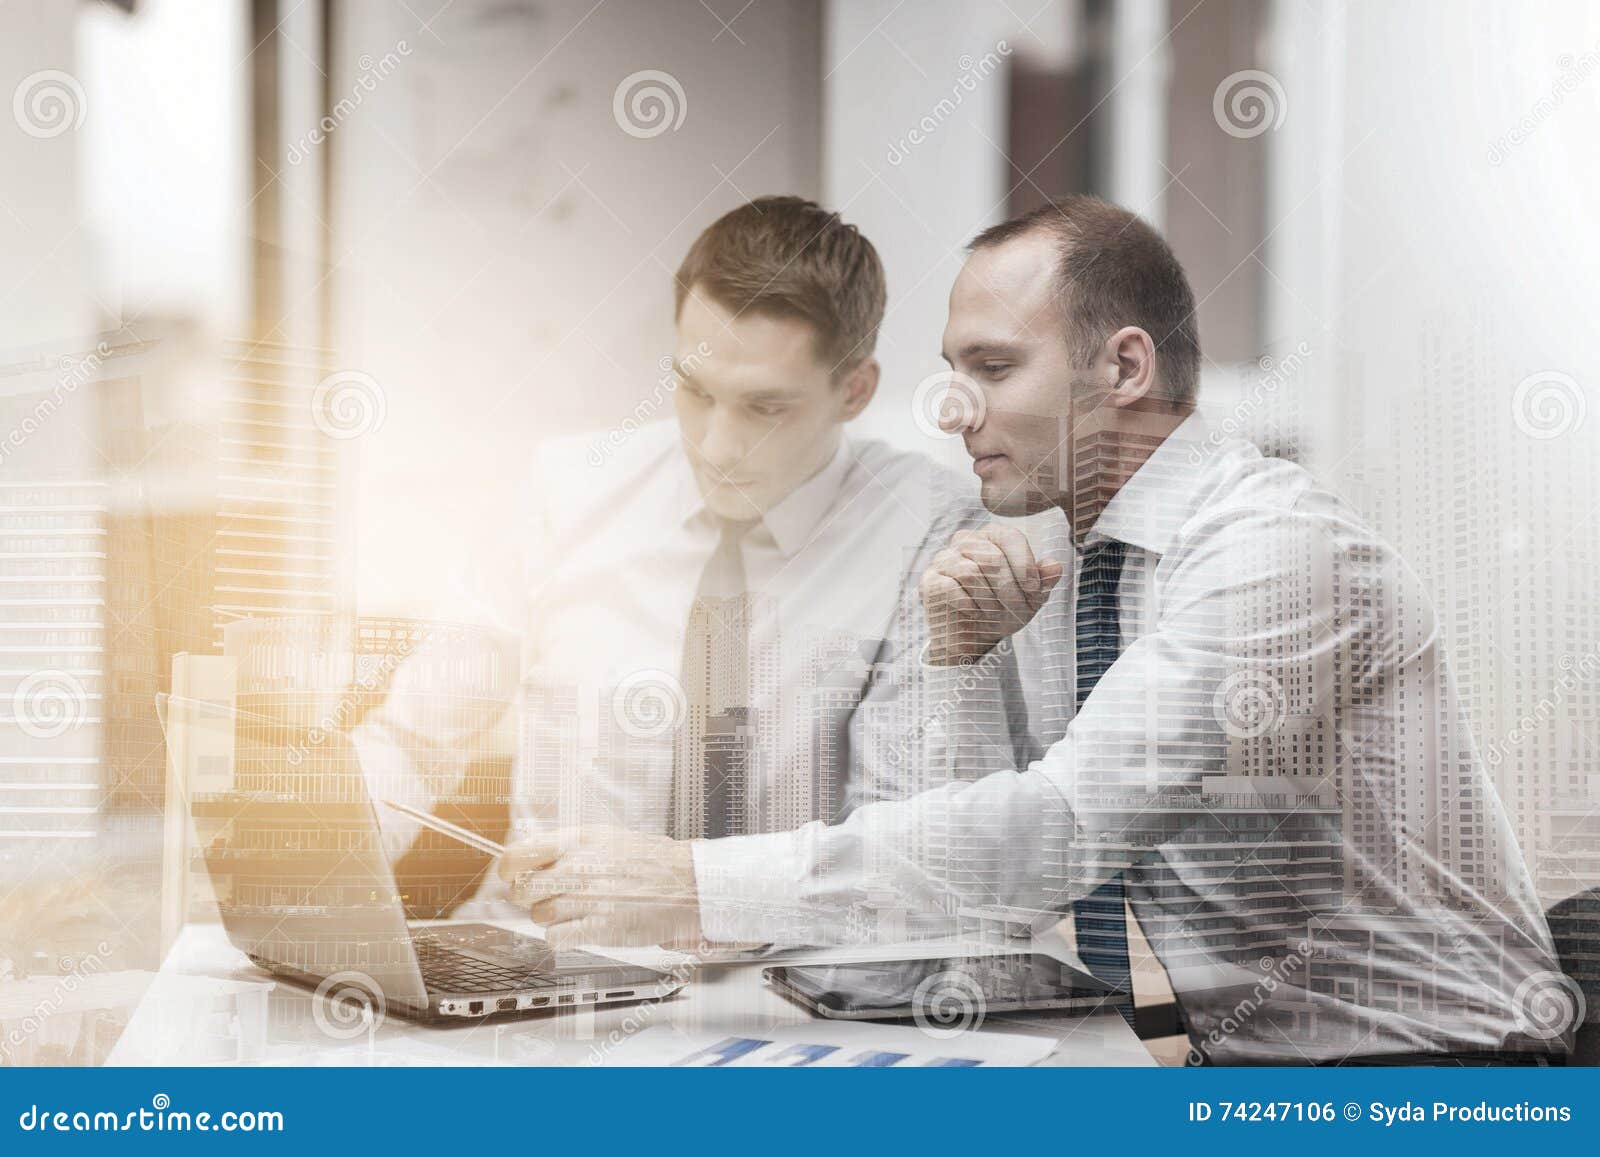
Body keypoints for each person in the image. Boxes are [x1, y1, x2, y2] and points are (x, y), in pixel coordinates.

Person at [502, 195, 1573, 1064]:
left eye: (993, 367)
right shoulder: (1049, 556)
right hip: (1214, 1067)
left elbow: (1053, 834)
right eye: (952, 370)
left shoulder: (1271, 553)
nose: (952, 408)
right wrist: (961, 661)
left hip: (1434, 1075)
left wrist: (692, 884)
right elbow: (959, 910)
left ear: (1124, 369)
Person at [358, 196, 1029, 933]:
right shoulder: (566, 493)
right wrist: (319, 864)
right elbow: (412, 740)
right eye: (695, 391)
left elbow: (920, 858)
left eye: (764, 408)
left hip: (787, 990)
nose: (714, 445)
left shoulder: (930, 534)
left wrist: (705, 900)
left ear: (854, 390)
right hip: (540, 967)